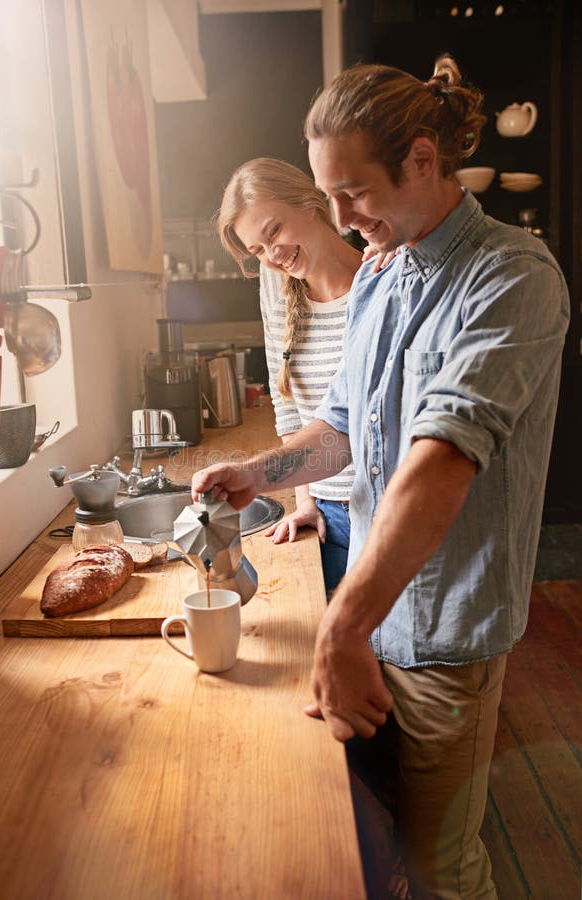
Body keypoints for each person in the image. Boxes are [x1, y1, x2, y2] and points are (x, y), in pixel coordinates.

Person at [194, 55, 570, 899]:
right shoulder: (380, 277)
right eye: (326, 195)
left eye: (354, 191)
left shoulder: (511, 277)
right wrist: (259, 472)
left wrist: (341, 630)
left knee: (442, 868)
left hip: (441, 632)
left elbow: (438, 463)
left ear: (424, 160)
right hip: (372, 610)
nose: (338, 215)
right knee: (373, 833)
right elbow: (340, 433)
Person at [217, 158, 361, 596]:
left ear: (312, 203)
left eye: (274, 231)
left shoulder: (381, 279)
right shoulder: (275, 283)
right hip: (329, 514)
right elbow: (288, 405)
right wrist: (305, 502)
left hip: (389, 513)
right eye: (258, 250)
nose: (272, 255)